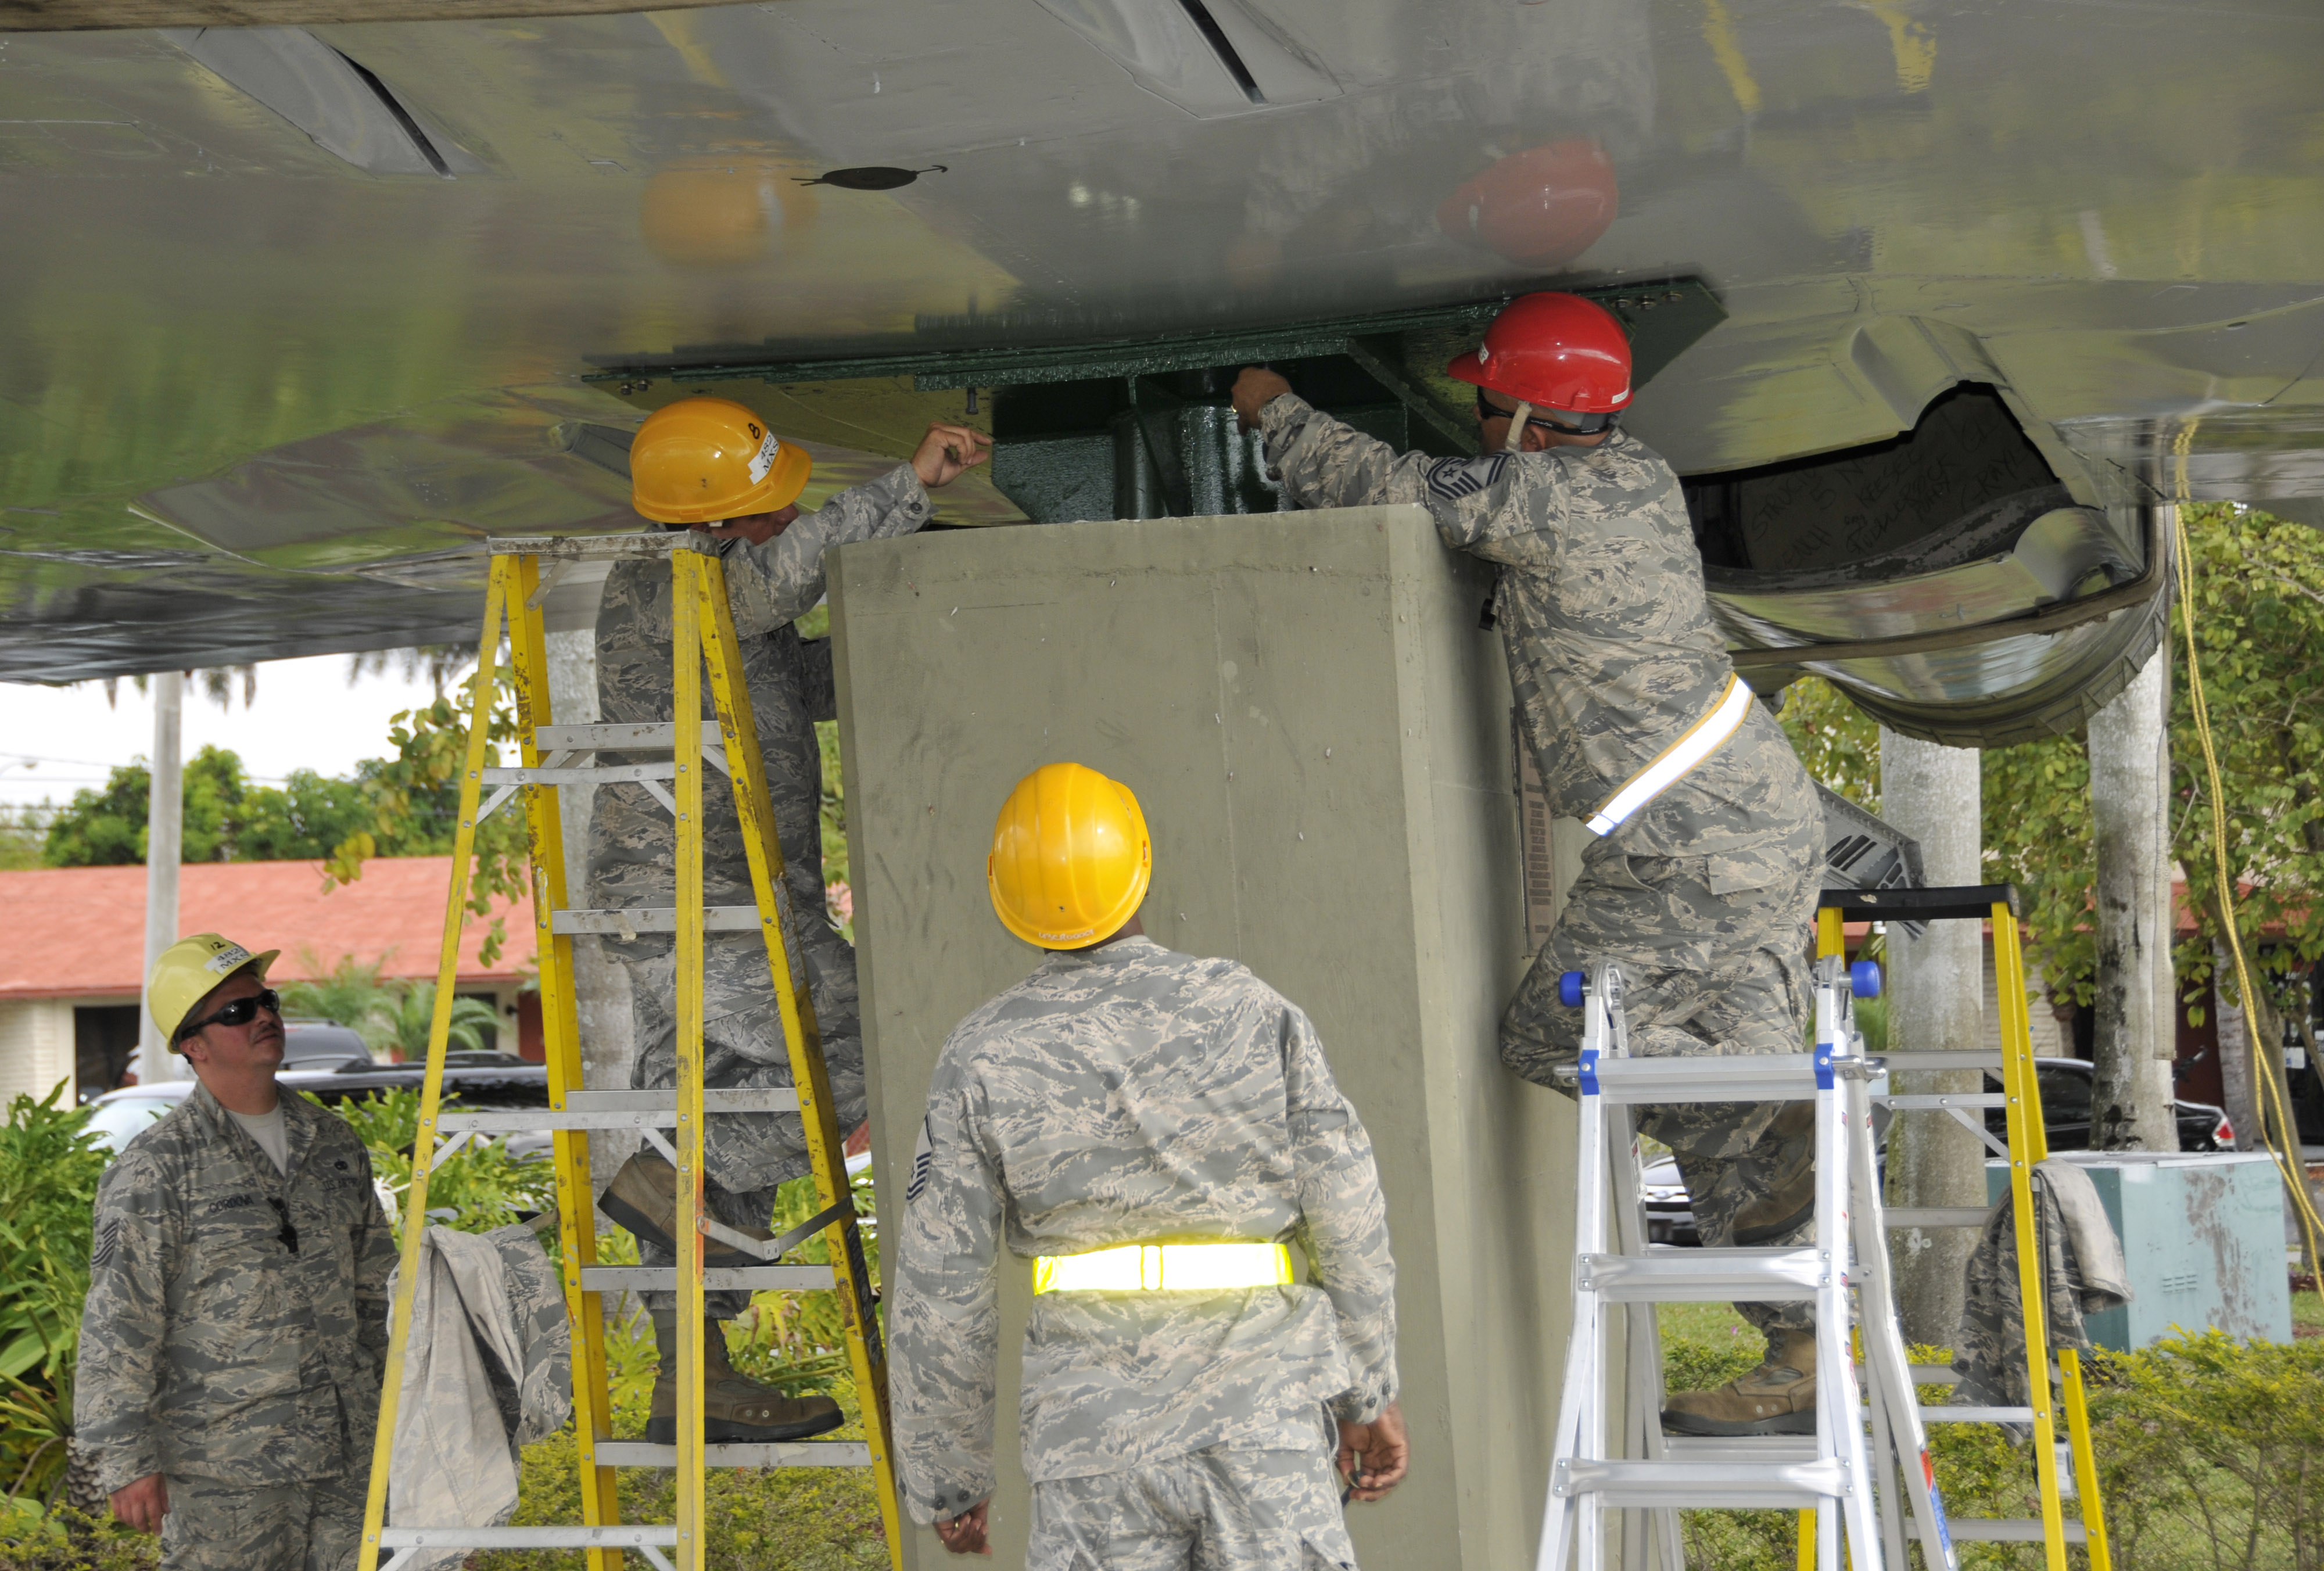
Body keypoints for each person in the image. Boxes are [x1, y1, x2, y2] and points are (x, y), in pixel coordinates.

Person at [1231, 293, 1825, 1438]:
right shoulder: (1638, 475)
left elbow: (1383, 485)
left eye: (1484, 398)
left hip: (1680, 850)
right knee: (1711, 1109)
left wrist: (1277, 411)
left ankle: (1762, 1088)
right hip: (1749, 821)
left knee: (1550, 1039)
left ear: (1529, 418)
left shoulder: (1534, 499)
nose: (1473, 412)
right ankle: (1796, 1344)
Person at [589, 396, 991, 1443]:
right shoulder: (666, 586)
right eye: (770, 506)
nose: (787, 516)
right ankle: (668, 1185)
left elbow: (801, 672)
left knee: (721, 1101)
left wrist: (930, 619)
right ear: (713, 521)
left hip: (742, 896)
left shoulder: (725, 597)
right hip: (699, 906)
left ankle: (699, 1374)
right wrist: (908, 489)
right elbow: (777, 584)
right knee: (878, 1052)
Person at [890, 761, 1407, 1568]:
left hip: (1094, 1442)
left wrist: (949, 1482)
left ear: (1003, 889)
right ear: (1139, 864)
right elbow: (1350, 1218)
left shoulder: (984, 1053)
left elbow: (939, 1290)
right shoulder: (1250, 1011)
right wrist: (1367, 1396)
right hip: (1261, 1420)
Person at [77, 934, 396, 1569]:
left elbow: (379, 1292)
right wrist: (126, 1458)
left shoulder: (333, 1143)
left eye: (266, 1001)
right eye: (236, 1012)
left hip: (351, 1453)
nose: (265, 1018)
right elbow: (120, 1320)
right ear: (192, 1045)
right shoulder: (157, 1170)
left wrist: (411, 1420)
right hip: (229, 1471)